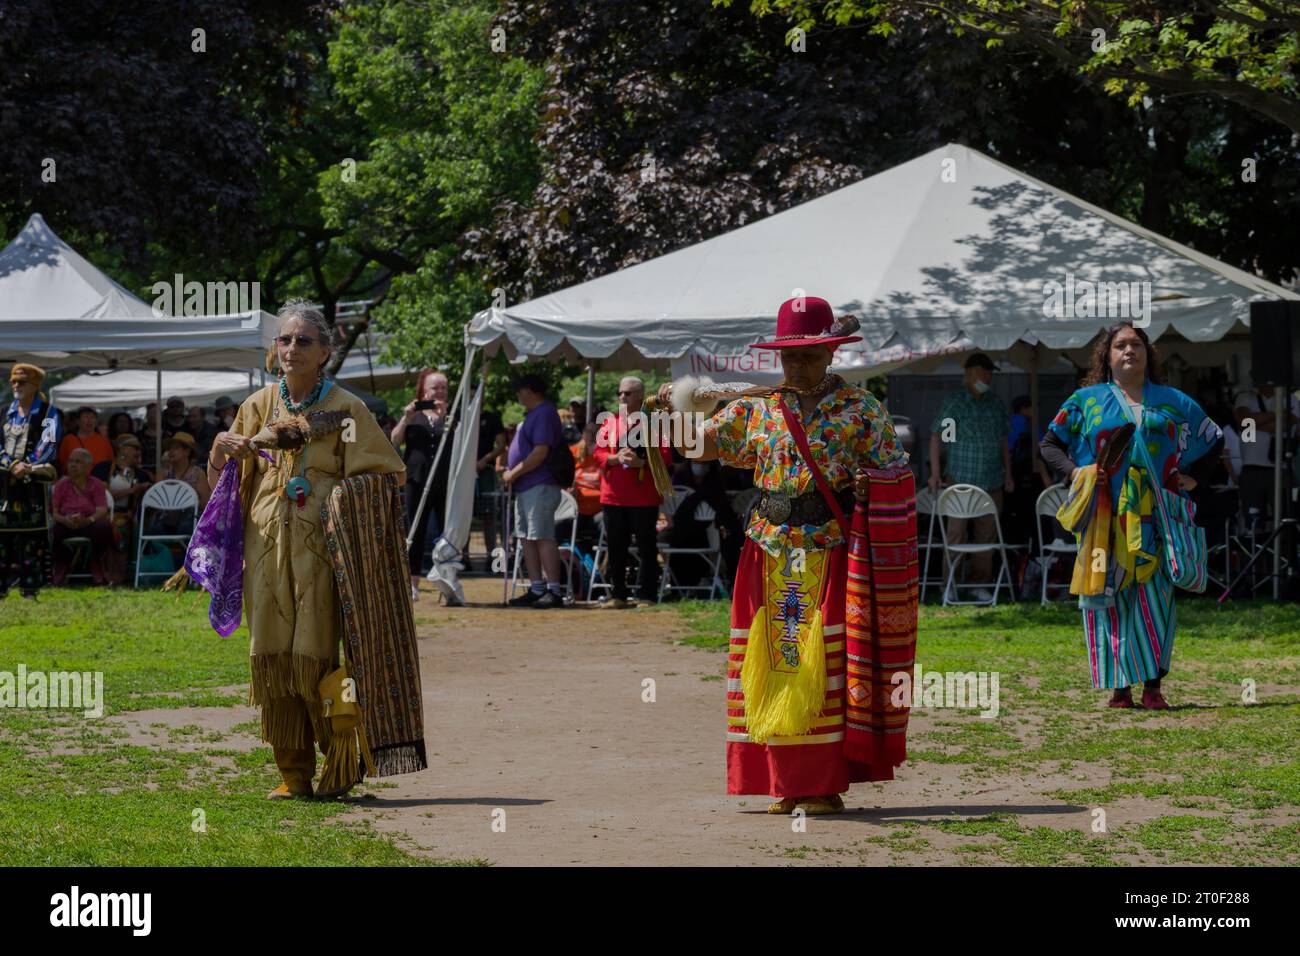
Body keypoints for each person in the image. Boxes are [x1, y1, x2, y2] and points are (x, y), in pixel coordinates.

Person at [656, 296, 916, 816]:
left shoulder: (862, 411)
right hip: (768, 549)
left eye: (810, 356)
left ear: (831, 354)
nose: (798, 365)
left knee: (822, 661)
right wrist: (673, 412)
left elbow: (898, 474)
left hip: (829, 549)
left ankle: (821, 784)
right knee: (774, 660)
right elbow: (698, 447)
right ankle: (781, 781)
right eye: (790, 357)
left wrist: (872, 484)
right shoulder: (758, 406)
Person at [208, 300, 407, 799]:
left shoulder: (347, 409)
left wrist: (331, 496)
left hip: (324, 552)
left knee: (319, 656)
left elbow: (387, 475)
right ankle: (292, 772)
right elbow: (223, 489)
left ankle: (341, 758)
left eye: (303, 341)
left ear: (324, 352)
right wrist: (218, 452)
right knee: (272, 657)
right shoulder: (256, 407)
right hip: (267, 551)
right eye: (284, 340)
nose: (291, 348)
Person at [1040, 322, 1222, 710]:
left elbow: (1213, 437)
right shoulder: (1086, 401)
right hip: (1103, 519)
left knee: (1156, 600)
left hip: (1157, 517)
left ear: (1147, 354)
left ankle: (1153, 687)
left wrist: (1193, 479)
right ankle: (1119, 689)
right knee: (1109, 599)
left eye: (1136, 344)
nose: (1129, 351)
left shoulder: (1173, 401)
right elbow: (1050, 443)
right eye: (1120, 345)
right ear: (1106, 356)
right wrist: (1077, 473)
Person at [928, 353, 1013, 601]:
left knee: (986, 535)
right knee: (956, 534)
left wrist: (1009, 473)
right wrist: (935, 474)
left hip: (992, 480)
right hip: (961, 480)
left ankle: (979, 583)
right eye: (982, 372)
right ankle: (950, 584)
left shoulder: (994, 402)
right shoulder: (955, 402)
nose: (987, 377)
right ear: (968, 375)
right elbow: (937, 436)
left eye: (989, 373)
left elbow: (1003, 441)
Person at [593, 376, 672, 608]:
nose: (621, 397)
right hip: (613, 496)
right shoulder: (609, 423)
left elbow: (666, 457)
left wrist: (643, 464)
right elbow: (597, 454)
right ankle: (617, 594)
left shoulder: (654, 423)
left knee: (647, 548)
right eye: (620, 393)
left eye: (627, 393)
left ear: (640, 395)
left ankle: (647, 594)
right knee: (616, 546)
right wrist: (614, 458)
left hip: (643, 497)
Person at [502, 373, 566, 609]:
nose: (518, 394)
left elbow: (540, 452)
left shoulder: (545, 412)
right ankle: (537, 587)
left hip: (540, 484)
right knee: (527, 538)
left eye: (519, 389)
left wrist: (513, 472)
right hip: (526, 487)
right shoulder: (533, 414)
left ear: (530, 390)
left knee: (542, 536)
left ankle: (553, 590)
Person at [0, 364, 63, 597]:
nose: (16, 385)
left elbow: (48, 444)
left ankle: (30, 588)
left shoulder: (48, 413)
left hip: (33, 485)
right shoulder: (4, 411)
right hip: (5, 485)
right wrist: (11, 464)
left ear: (35, 386)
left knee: (32, 539)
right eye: (14, 382)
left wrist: (26, 466)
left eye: (22, 382)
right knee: (2, 540)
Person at [392, 369, 451, 600]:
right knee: (415, 530)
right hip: (417, 479)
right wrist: (406, 418)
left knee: (447, 532)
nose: (439, 392)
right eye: (435, 387)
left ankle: (446, 578)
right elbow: (395, 440)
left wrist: (446, 417)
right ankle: (413, 582)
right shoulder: (414, 415)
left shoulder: (452, 415)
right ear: (424, 390)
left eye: (443, 388)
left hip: (445, 480)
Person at [1231, 384, 1299, 528]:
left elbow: (1290, 423)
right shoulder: (1245, 397)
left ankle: (1285, 548)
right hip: (1251, 467)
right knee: (1253, 519)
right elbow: (1243, 420)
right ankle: (1256, 548)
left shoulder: (1289, 398)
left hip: (1282, 468)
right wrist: (1277, 415)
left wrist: (1255, 422)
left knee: (1286, 517)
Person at [51, 448, 115, 585]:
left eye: (78, 462)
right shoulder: (61, 485)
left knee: (103, 527)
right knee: (54, 530)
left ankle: (95, 562)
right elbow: (54, 513)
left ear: (88, 467)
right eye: (71, 461)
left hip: (88, 522)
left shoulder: (96, 484)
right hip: (66, 523)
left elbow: (102, 510)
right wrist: (65, 520)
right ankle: (62, 565)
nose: (73, 465)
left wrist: (88, 520)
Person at [154, 431, 211, 531]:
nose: (170, 452)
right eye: (169, 449)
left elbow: (205, 503)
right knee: (155, 529)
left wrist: (189, 501)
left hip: (190, 516)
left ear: (187, 452)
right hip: (167, 516)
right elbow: (157, 500)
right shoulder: (163, 473)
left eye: (175, 448)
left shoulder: (198, 473)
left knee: (185, 527)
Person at [57, 406, 114, 480]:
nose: (89, 420)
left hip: (99, 482)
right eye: (85, 417)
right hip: (75, 482)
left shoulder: (104, 441)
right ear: (78, 421)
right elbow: (62, 464)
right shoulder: (68, 440)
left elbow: (111, 464)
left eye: (92, 417)